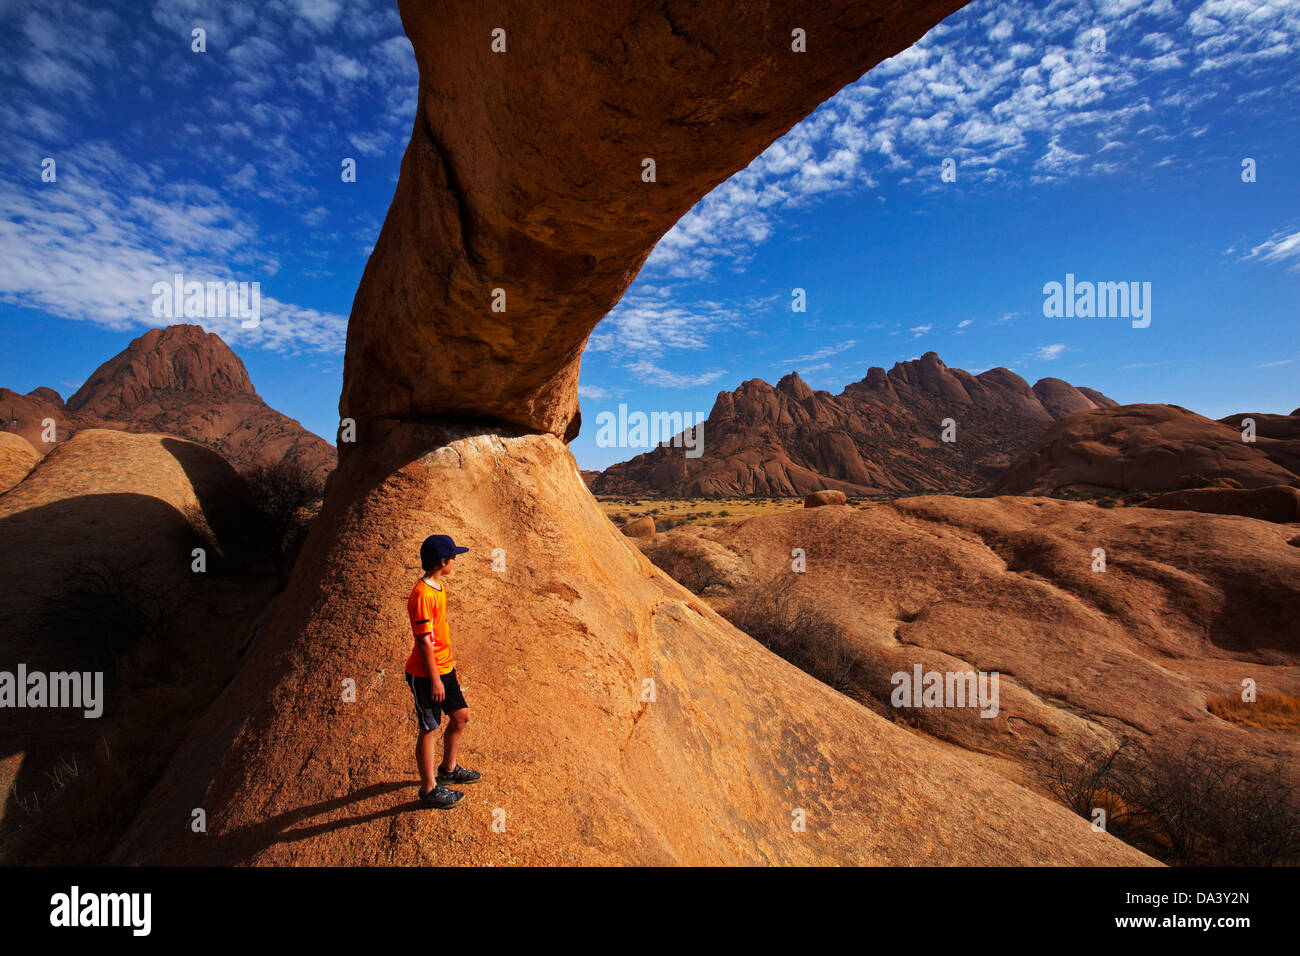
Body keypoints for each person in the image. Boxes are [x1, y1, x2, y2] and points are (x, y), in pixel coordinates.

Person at [405, 533, 481, 809]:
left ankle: (448, 770)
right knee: (430, 729)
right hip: (426, 674)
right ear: (442, 561)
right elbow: (424, 641)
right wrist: (435, 679)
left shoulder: (437, 586)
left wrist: (445, 669)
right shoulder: (422, 594)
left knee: (460, 717)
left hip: (444, 668)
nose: (455, 561)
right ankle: (429, 789)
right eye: (453, 557)